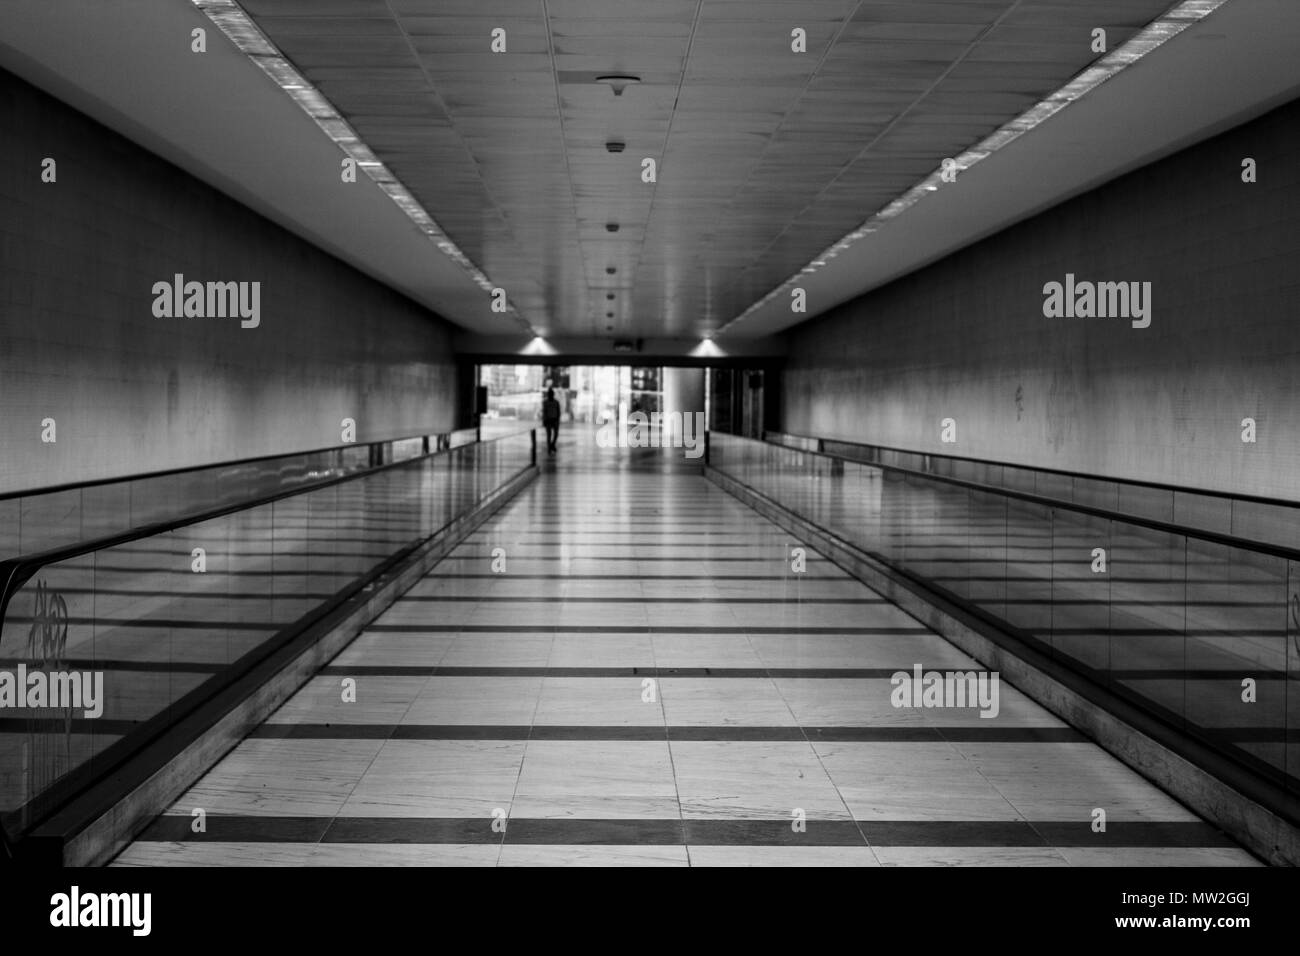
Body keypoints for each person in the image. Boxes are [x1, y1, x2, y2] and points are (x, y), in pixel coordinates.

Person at [542, 387, 561, 455]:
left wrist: (558, 419)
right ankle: (550, 447)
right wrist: (544, 420)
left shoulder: (556, 402)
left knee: (556, 434)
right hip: (548, 420)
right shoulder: (545, 402)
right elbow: (544, 412)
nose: (550, 395)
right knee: (549, 435)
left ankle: (552, 445)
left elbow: (558, 411)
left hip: (554, 420)